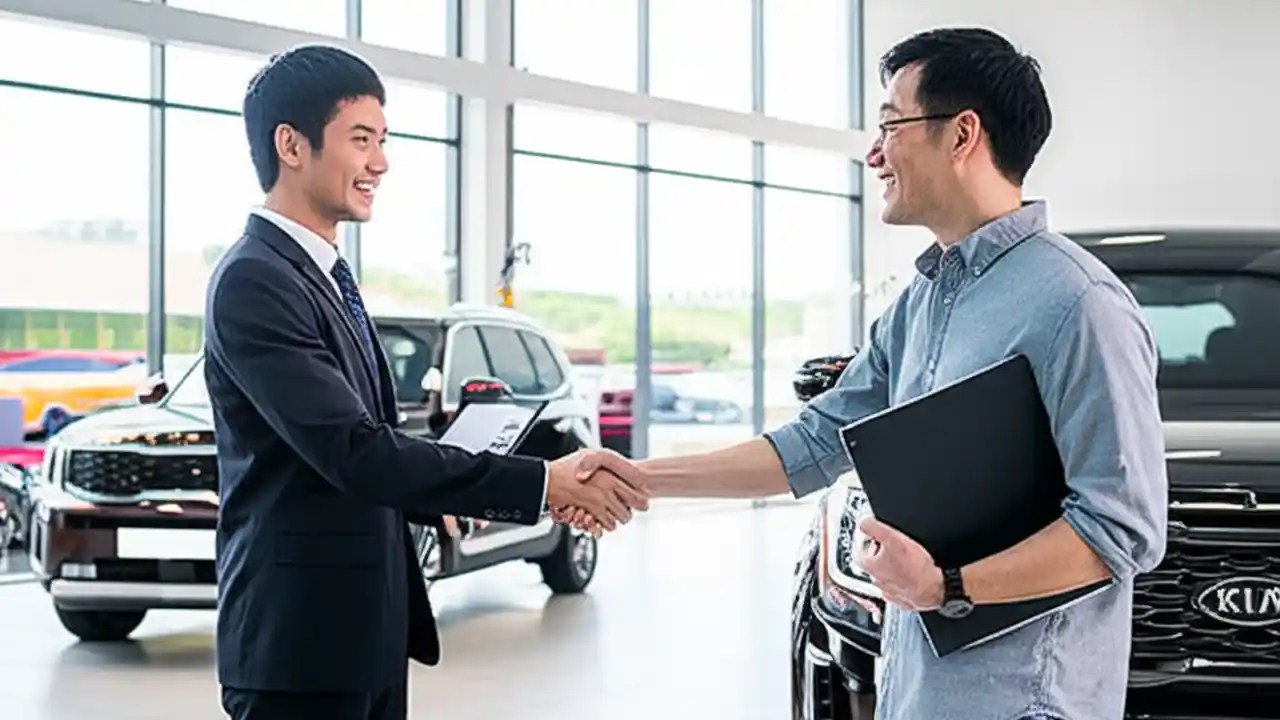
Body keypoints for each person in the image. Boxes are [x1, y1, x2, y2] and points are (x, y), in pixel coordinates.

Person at [561, 27, 1167, 720]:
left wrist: (946, 585)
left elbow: (1119, 532)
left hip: (1025, 704)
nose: (875, 153)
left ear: (962, 134)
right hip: (918, 695)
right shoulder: (921, 302)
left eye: (890, 125)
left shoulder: (1079, 305)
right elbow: (816, 444)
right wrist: (641, 478)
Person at [204, 44, 648, 720]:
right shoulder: (255, 280)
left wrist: (435, 490)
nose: (380, 162)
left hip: (362, 635)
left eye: (382, 140)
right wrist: (542, 482)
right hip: (299, 648)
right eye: (361, 139)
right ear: (291, 145)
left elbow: (362, 442)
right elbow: (351, 450)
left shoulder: (322, 275)